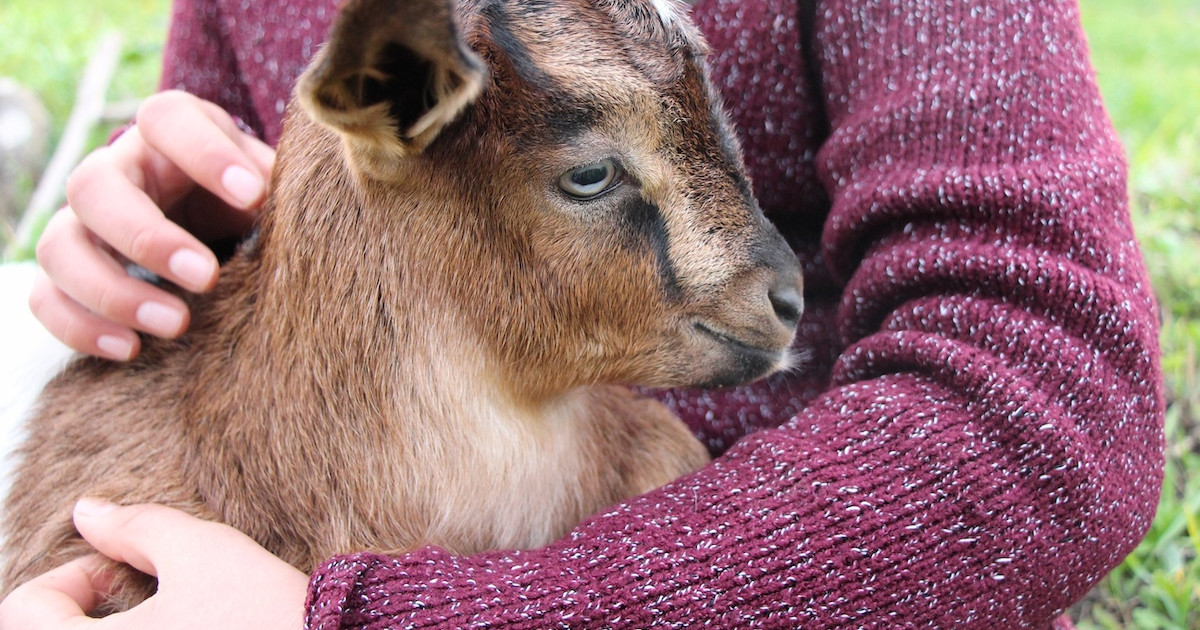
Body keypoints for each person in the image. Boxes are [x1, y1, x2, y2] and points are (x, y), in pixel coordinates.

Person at [0, 0, 1164, 627]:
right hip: (312, 472)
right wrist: (173, 230)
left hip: (759, 549)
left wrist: (381, 623)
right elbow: (245, 165)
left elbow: (1050, 401)